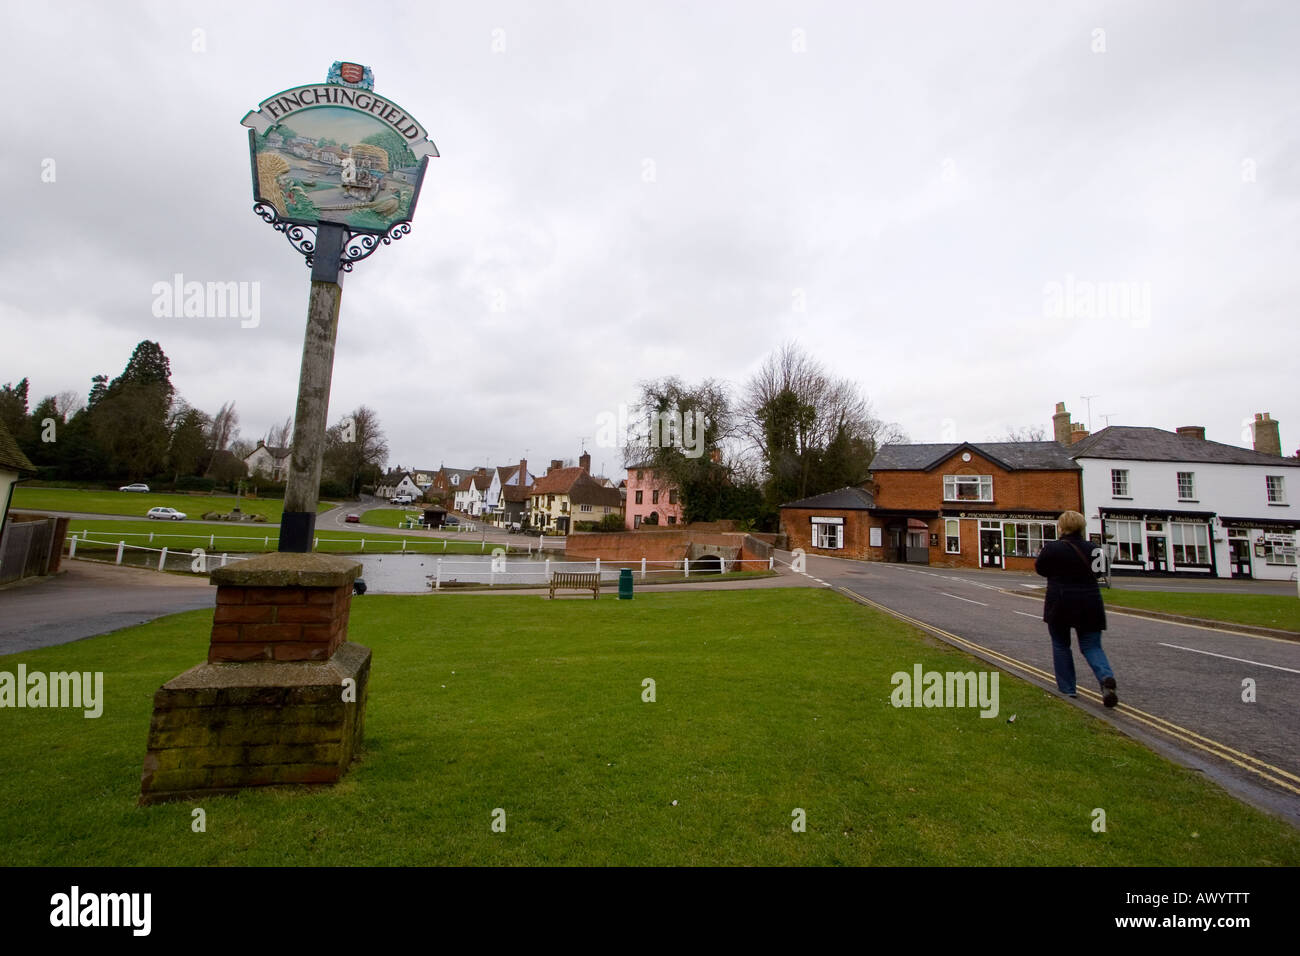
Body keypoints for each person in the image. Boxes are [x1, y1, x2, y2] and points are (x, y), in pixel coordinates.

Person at [1034, 510, 1118, 707]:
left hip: (1060, 601)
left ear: (1061, 527)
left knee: (1061, 645)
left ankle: (1068, 689)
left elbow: (1041, 569)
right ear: (1082, 528)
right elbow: (1102, 574)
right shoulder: (1095, 549)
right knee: (1092, 646)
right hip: (1090, 602)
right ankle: (1106, 677)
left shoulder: (1052, 549)